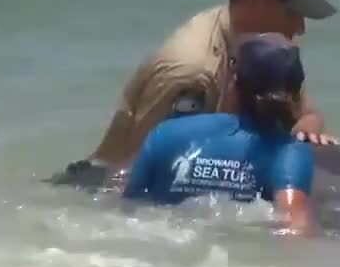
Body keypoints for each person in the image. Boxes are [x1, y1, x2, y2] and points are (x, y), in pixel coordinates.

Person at [51, 0, 338, 187]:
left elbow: (307, 111)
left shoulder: (264, 47)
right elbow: (145, 174)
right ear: (256, 3)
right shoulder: (195, 71)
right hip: (100, 191)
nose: (300, 28)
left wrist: (305, 132)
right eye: (293, 13)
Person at [122, 34, 318, 235]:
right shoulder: (288, 152)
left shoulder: (165, 132)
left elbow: (127, 208)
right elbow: (296, 227)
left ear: (234, 85)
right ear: (295, 97)